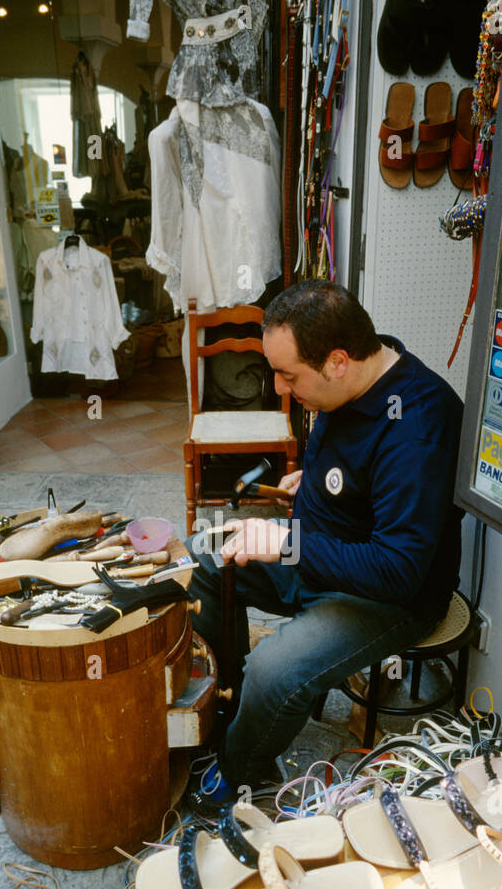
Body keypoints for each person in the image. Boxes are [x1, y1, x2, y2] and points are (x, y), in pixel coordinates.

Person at [187, 278, 464, 807]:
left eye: (288, 375)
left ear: (338, 361)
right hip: (321, 550)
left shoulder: (418, 425)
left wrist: (289, 543)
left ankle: (241, 772)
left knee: (275, 668)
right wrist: (311, 481)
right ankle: (230, 709)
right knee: (206, 555)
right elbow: (354, 470)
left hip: (386, 594)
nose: (279, 389)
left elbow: (398, 569)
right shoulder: (353, 373)